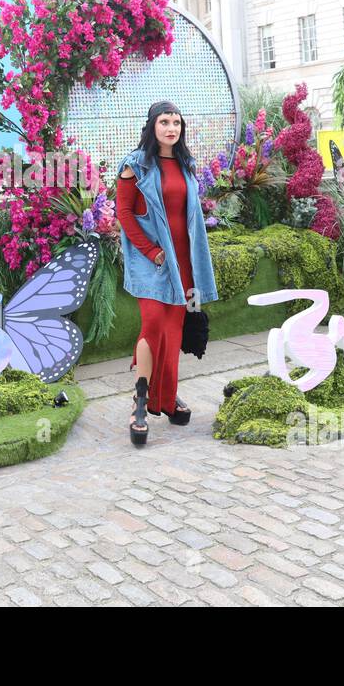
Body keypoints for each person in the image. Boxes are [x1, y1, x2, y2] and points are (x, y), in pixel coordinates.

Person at [114, 101, 218, 447]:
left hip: (184, 261)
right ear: (152, 126)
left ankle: (167, 396)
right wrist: (151, 251)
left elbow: (189, 217)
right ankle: (141, 401)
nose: (171, 128)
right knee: (154, 324)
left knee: (174, 329)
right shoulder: (136, 165)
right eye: (164, 122)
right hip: (152, 260)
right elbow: (125, 214)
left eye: (176, 122)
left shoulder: (186, 165)